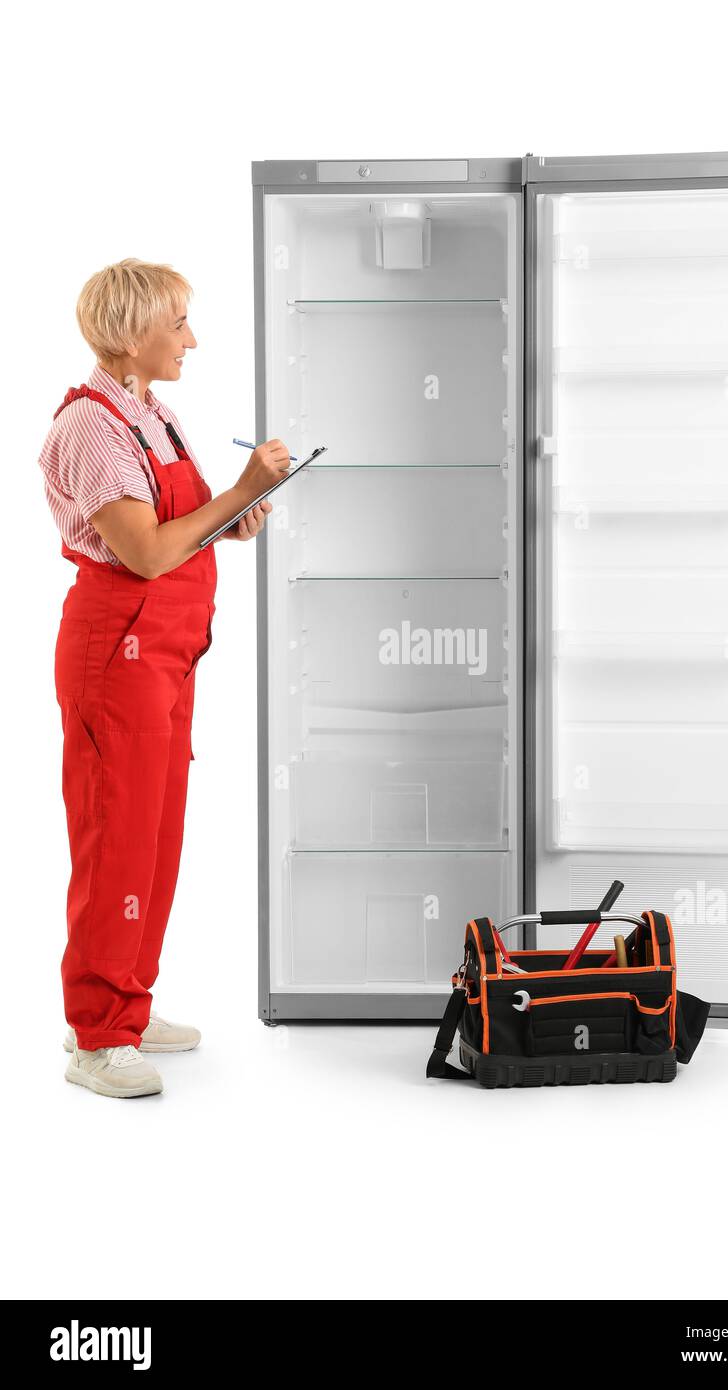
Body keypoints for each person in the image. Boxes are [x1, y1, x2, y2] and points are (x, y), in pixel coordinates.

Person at [39, 259, 290, 1099]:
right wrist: (239, 489)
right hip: (119, 651)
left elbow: (179, 529)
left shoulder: (152, 413)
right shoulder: (90, 425)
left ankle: (130, 1007)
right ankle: (96, 1036)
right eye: (177, 323)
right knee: (114, 836)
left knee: (155, 831)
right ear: (131, 332)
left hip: (170, 651)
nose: (192, 338)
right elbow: (144, 552)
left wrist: (235, 517)